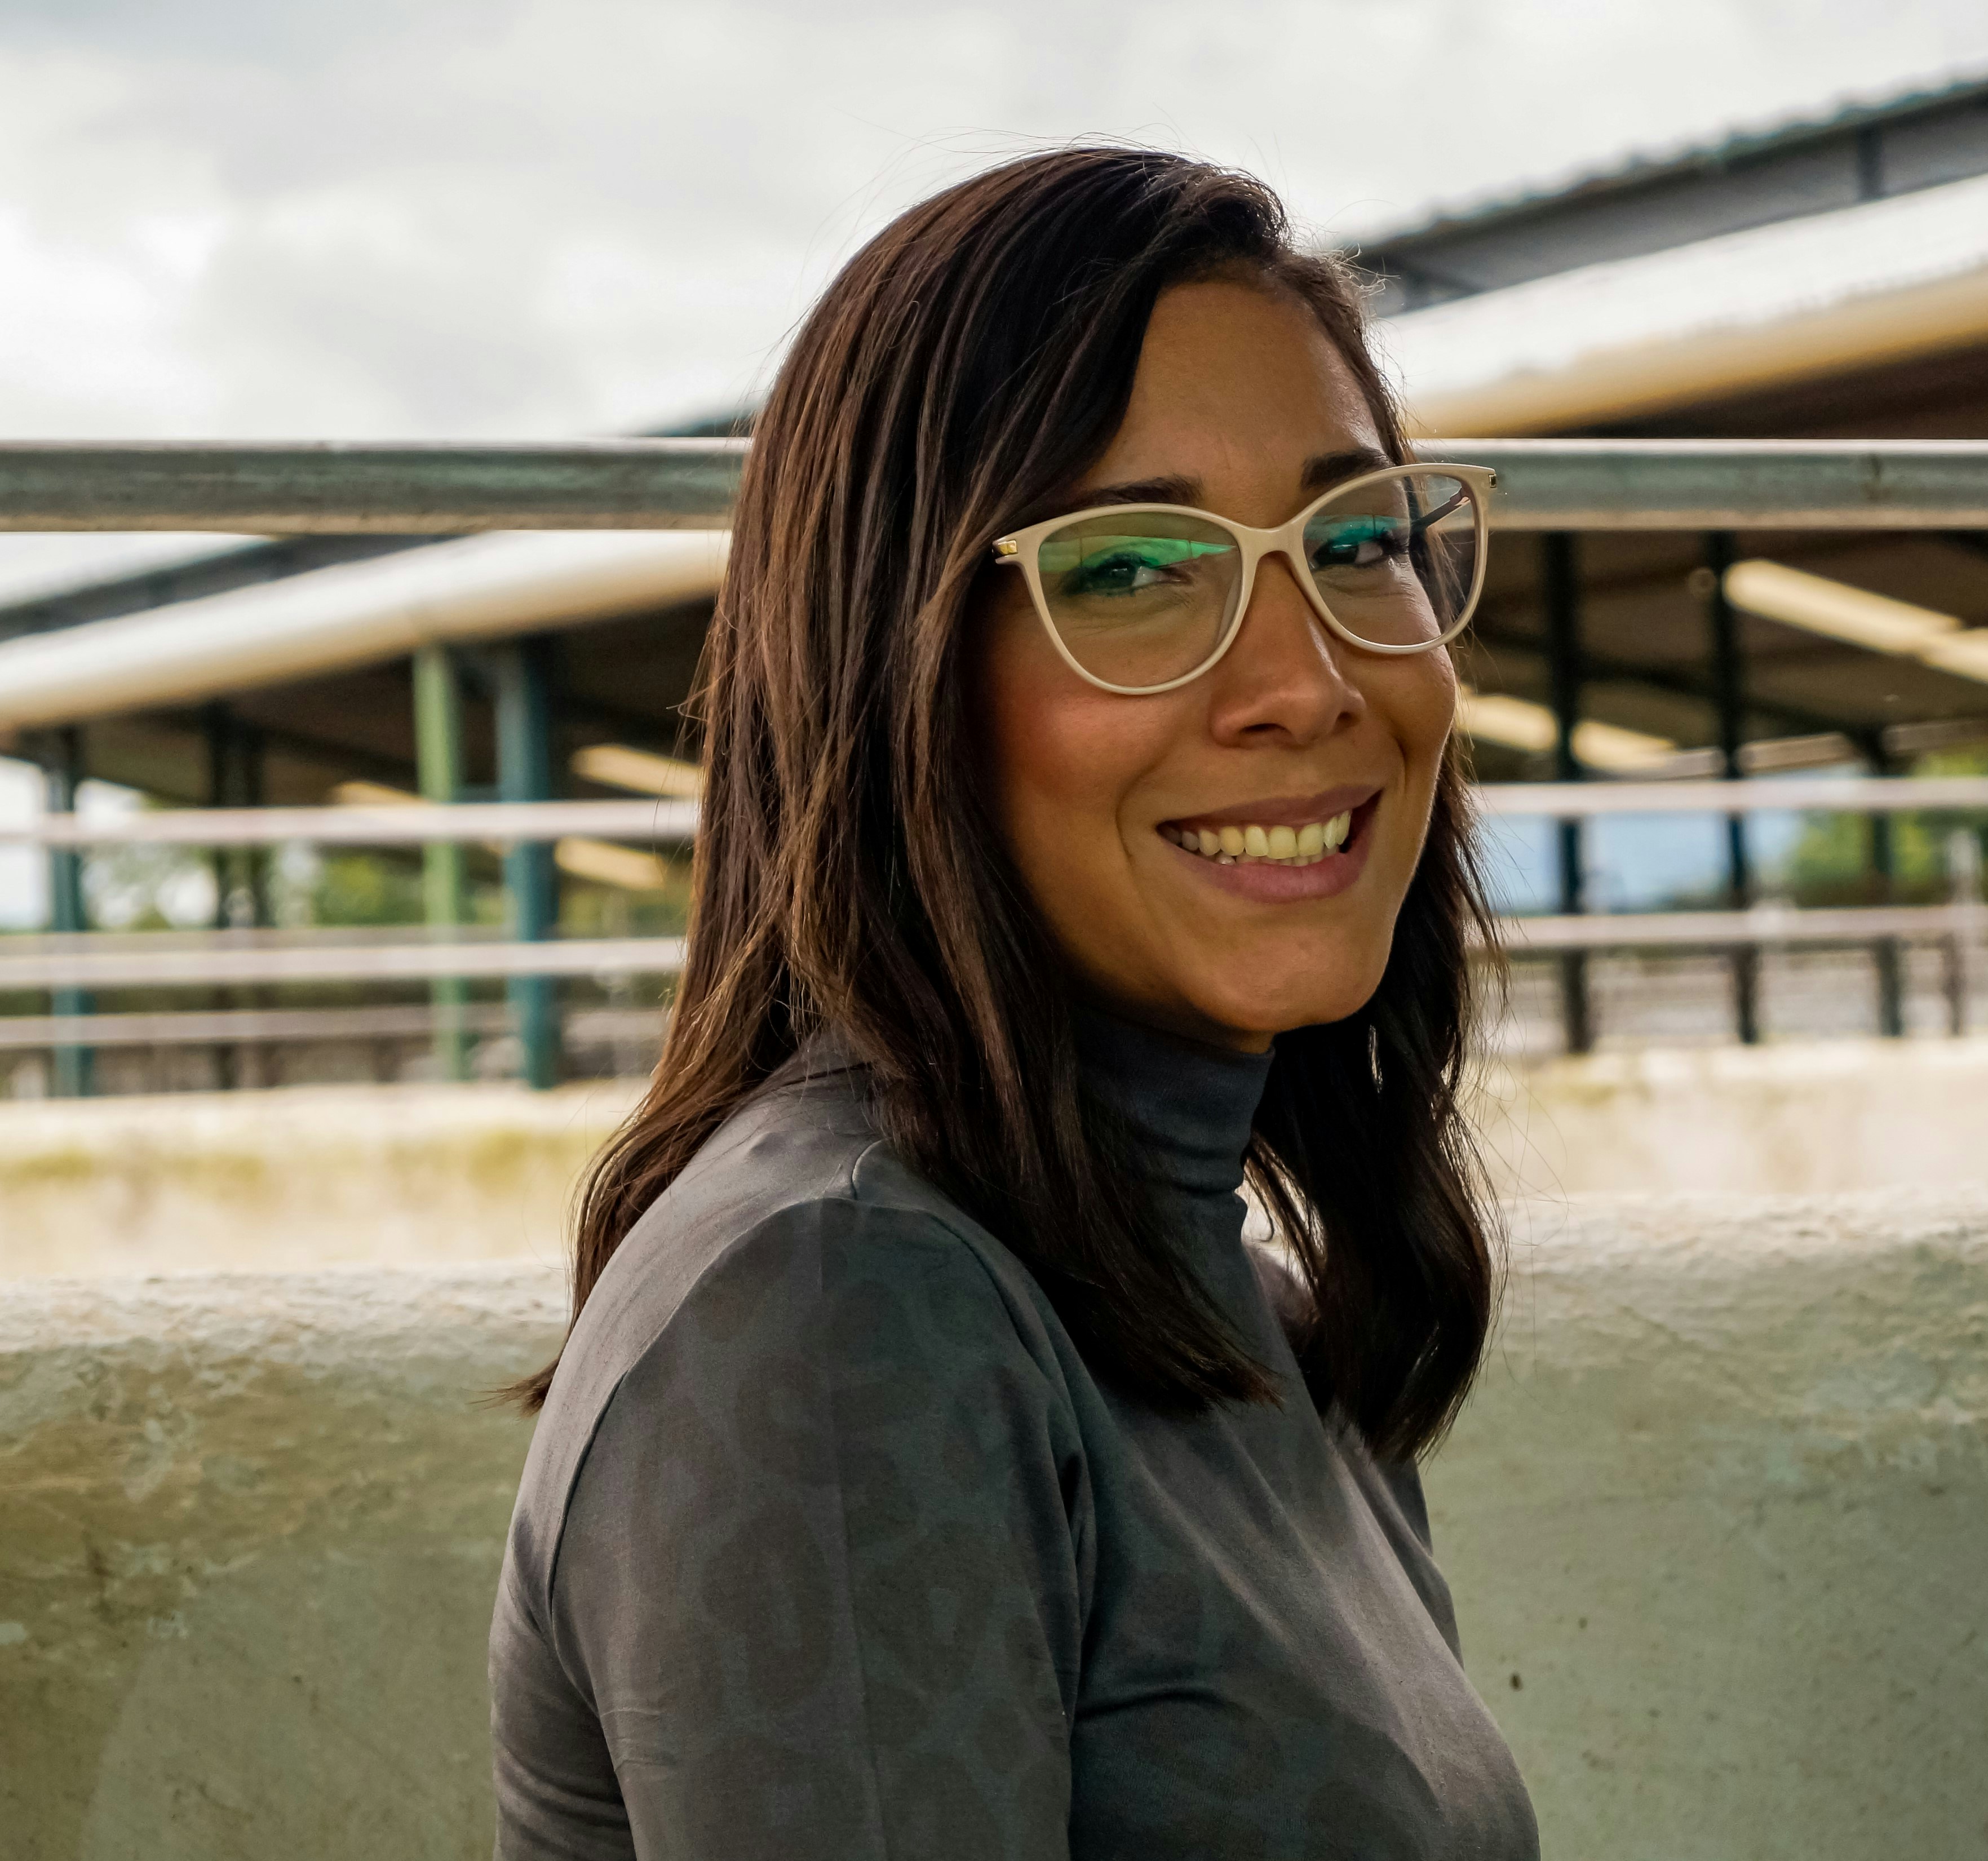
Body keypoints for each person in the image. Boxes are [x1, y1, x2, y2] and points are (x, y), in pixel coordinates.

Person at [490, 145, 1538, 1860]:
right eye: (1133, 569)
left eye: (1357, 541)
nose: (1308, 680)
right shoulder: (839, 1304)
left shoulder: (1241, 1304)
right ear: (896, 671)